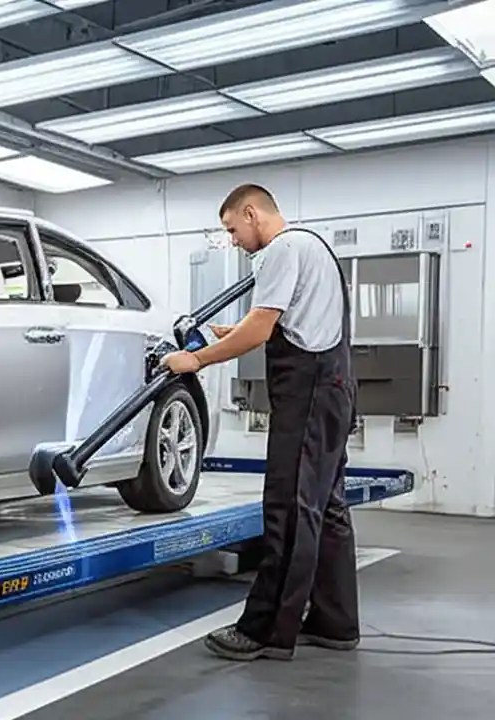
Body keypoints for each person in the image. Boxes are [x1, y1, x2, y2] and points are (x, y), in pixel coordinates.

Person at [161, 183, 360, 662]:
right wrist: (241, 329)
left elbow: (261, 330)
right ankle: (336, 622)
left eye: (232, 228)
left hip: (309, 396)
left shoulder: (280, 250)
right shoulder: (314, 246)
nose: (232, 239)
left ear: (252, 213)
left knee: (289, 509)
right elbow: (284, 321)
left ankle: (266, 629)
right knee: (326, 509)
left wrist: (198, 360)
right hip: (334, 390)